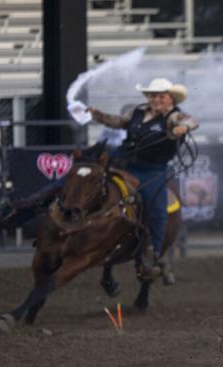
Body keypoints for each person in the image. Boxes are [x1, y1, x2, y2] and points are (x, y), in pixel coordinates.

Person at [80, 78, 197, 278]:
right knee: (85, 171)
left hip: (151, 169)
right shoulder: (138, 112)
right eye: (152, 95)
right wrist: (97, 114)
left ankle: (155, 253)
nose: (156, 99)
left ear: (170, 98)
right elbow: (118, 121)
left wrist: (182, 128)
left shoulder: (174, 116)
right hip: (124, 160)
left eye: (161, 96)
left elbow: (191, 121)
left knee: (157, 208)